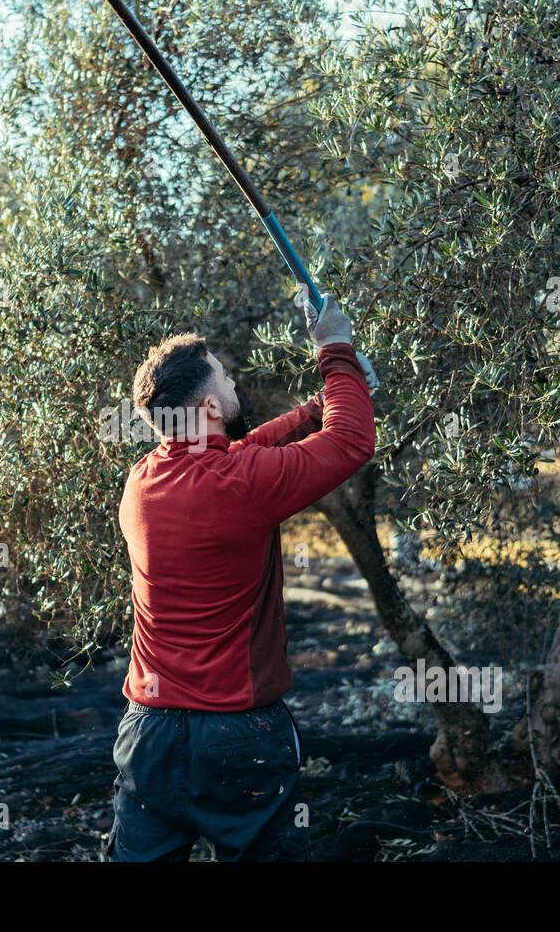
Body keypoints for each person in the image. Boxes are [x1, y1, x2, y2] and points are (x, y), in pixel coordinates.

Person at [107, 292, 376, 861]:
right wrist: (336, 349)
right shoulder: (242, 483)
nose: (235, 385)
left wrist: (311, 409)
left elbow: (235, 454)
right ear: (207, 408)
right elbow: (352, 442)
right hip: (238, 734)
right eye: (225, 379)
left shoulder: (141, 481)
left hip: (148, 734)